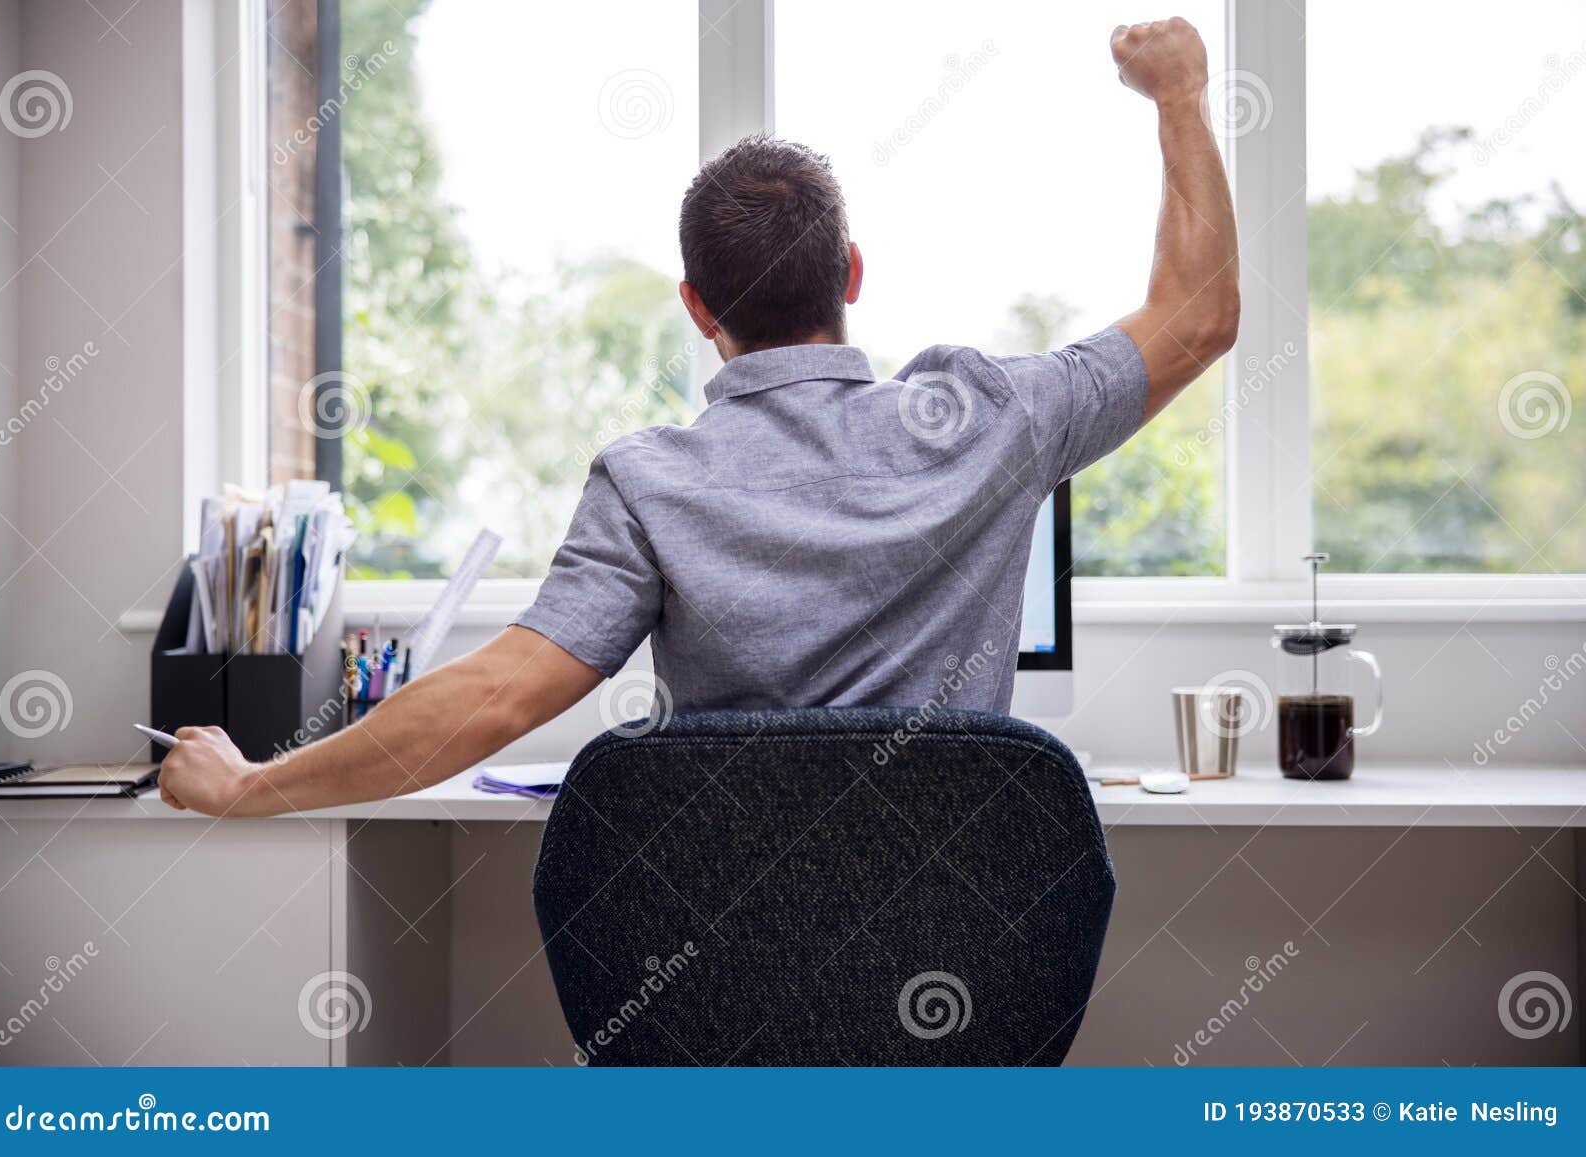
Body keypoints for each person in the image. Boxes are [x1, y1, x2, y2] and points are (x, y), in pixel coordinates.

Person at [160, 18, 1238, 817]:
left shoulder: (648, 482)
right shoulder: (992, 417)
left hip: (720, 968)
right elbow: (1198, 318)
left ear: (695, 307)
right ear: (851, 273)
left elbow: (495, 696)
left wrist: (253, 783)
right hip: (972, 951)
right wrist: (1180, 92)